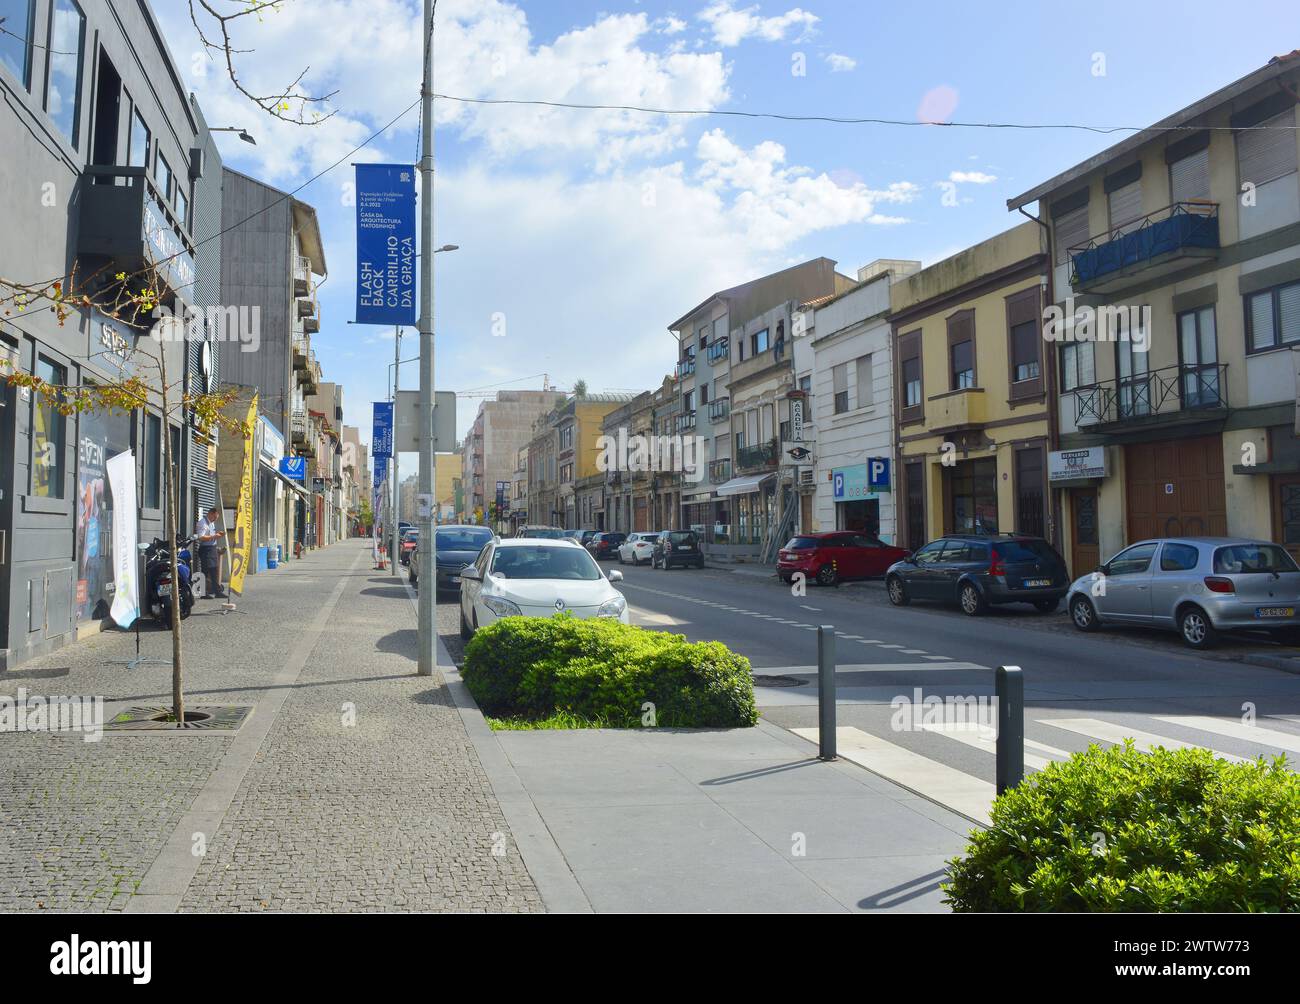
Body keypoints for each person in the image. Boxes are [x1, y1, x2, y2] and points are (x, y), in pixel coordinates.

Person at [195, 507, 227, 599]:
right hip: (206, 549)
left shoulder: (211, 523)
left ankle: (217, 591)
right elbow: (201, 537)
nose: (215, 519)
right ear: (211, 514)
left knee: (214, 570)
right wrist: (214, 536)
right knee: (205, 571)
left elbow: (211, 535)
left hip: (212, 548)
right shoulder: (202, 523)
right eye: (215, 517)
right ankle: (203, 593)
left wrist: (217, 535)